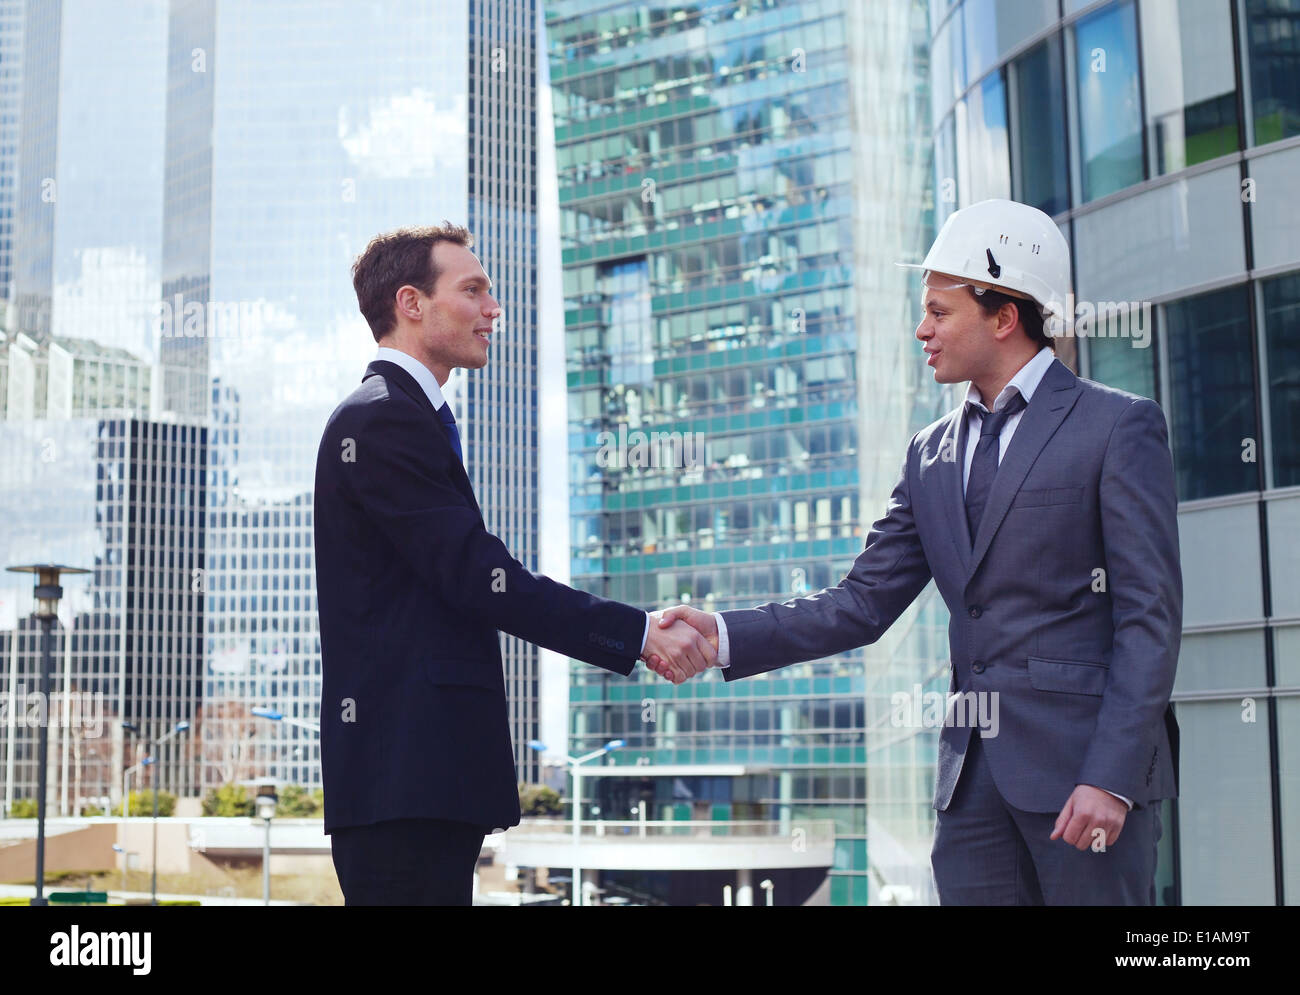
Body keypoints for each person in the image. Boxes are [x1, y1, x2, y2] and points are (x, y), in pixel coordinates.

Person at [647, 199, 1181, 905]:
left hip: (1083, 782)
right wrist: (721, 634)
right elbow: (859, 602)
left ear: (1004, 315)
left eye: (939, 310)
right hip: (970, 796)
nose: (922, 329)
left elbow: (1150, 618)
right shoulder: (928, 454)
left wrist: (1109, 775)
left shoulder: (1117, 427)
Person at [314, 223, 714, 905]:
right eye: (473, 290)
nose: (492, 309)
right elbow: (480, 576)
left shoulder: (406, 416)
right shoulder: (382, 420)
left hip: (420, 786)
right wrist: (637, 633)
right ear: (411, 303)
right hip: (403, 784)